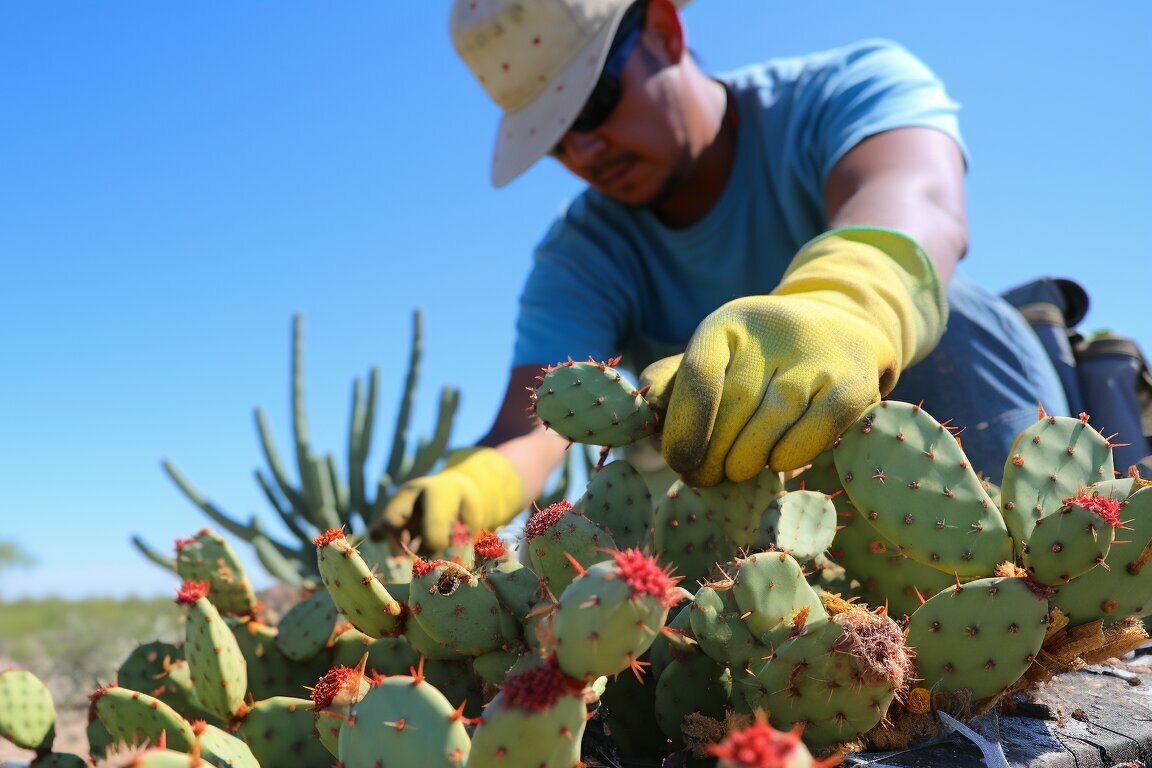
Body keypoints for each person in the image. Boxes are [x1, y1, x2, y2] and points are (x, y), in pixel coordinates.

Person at [378, 0, 1067, 553]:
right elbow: (532, 423)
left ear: (665, 26)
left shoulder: (845, 89)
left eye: (592, 103)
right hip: (774, 546)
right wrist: (475, 482)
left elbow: (922, 212)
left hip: (946, 473)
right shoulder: (582, 253)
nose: (583, 149)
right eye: (552, 138)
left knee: (950, 314)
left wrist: (842, 311)